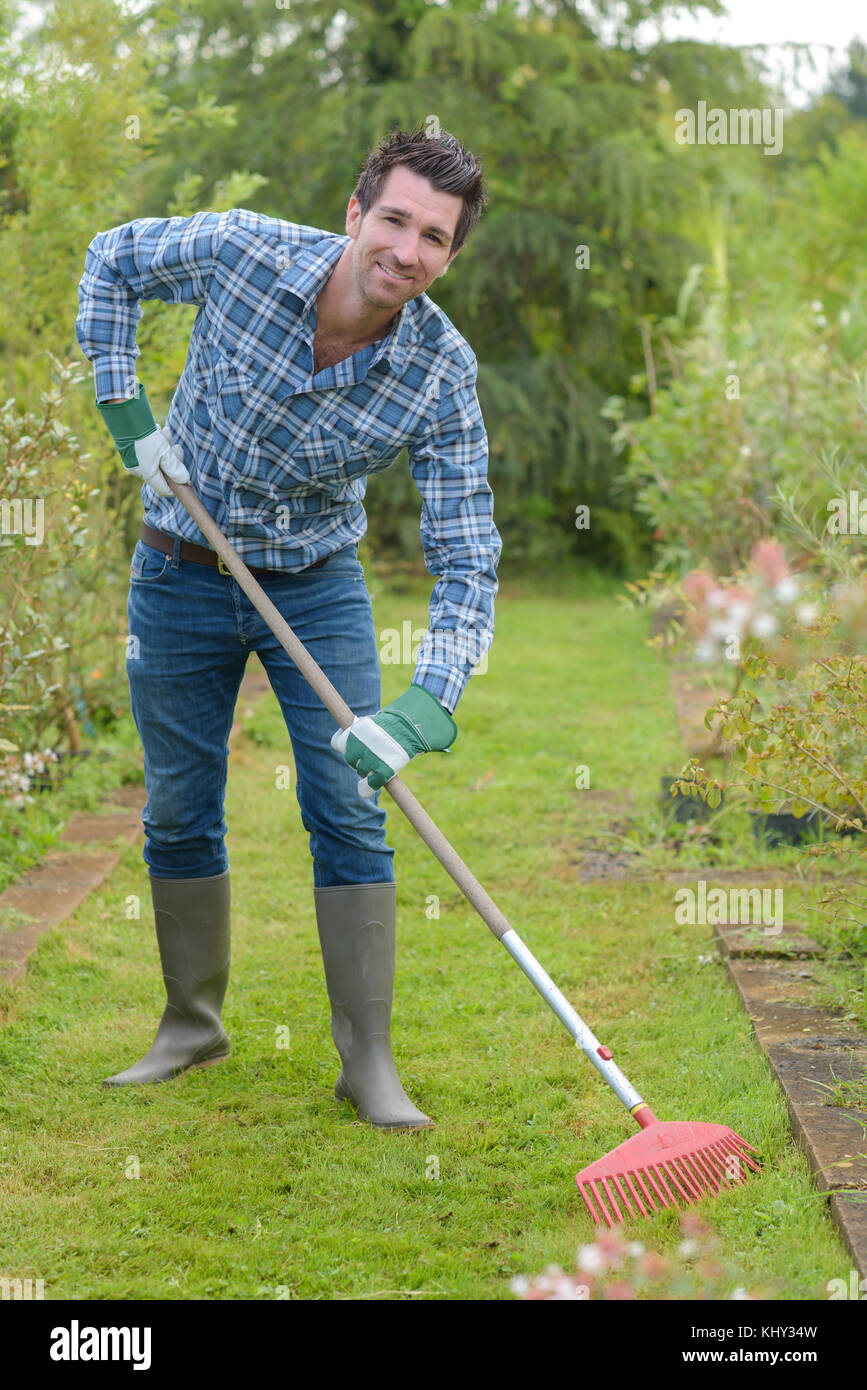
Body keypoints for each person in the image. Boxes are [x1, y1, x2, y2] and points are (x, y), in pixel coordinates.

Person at [74, 125, 501, 1130]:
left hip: (315, 584)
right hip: (179, 567)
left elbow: (466, 549)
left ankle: (369, 1064)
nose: (405, 249)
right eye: (393, 219)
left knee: (351, 804)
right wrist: (126, 408)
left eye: (433, 238)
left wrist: (427, 705)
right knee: (179, 803)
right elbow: (111, 263)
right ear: (356, 213)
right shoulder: (243, 248)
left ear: (449, 257)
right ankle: (191, 1024)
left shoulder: (441, 373)